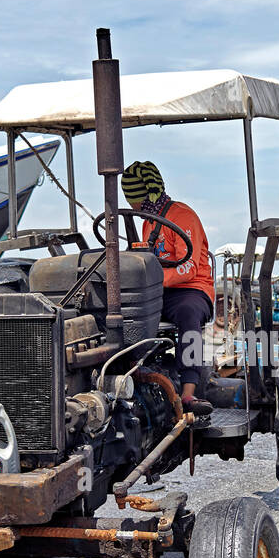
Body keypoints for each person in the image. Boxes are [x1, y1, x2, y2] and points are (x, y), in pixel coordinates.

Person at [121, 160, 214, 416]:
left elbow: (190, 267)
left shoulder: (183, 217)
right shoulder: (147, 221)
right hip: (161, 291)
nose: (132, 207)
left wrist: (153, 280)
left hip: (192, 289)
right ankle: (131, 377)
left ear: (140, 197)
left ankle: (188, 391)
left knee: (188, 313)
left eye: (133, 200)